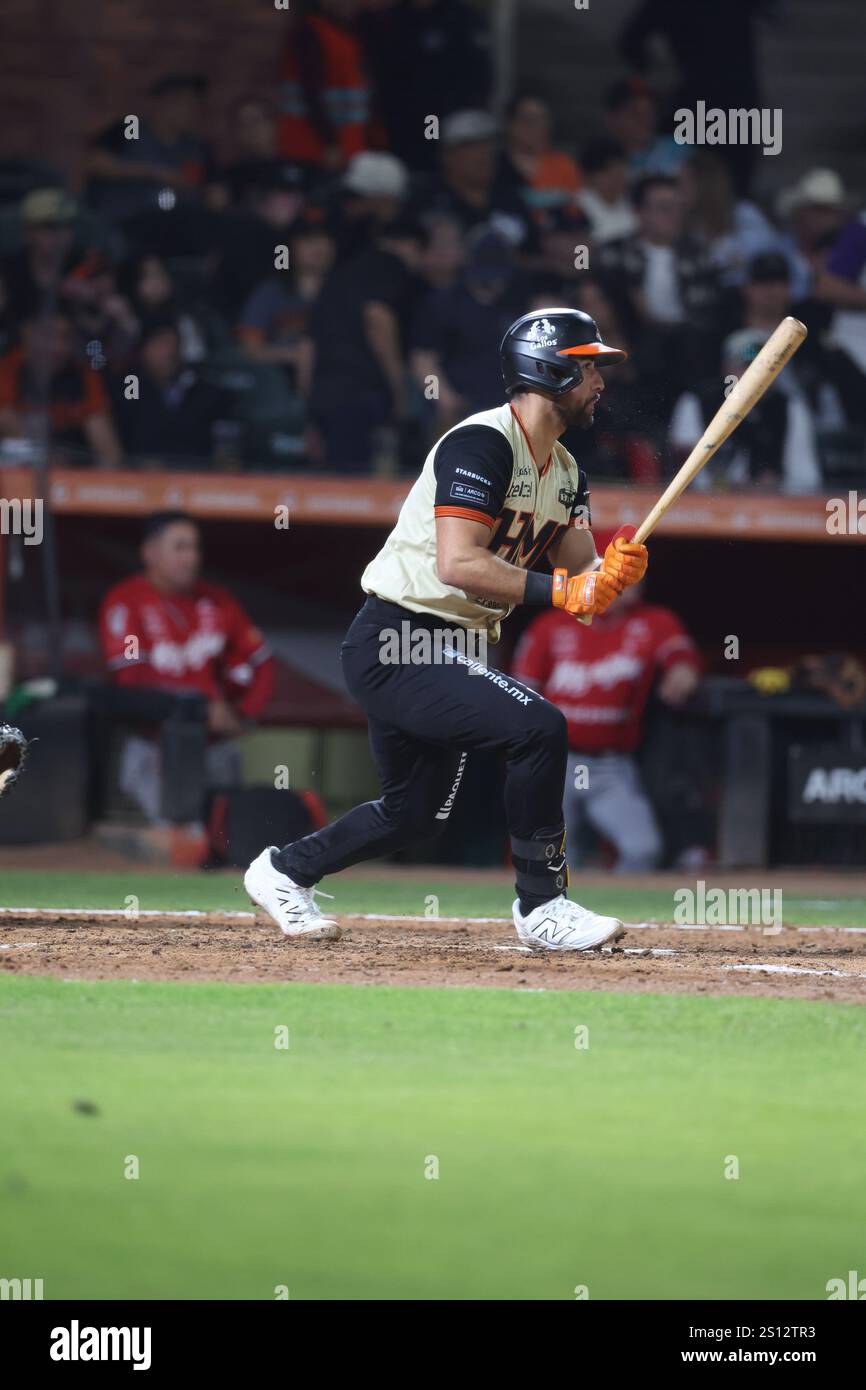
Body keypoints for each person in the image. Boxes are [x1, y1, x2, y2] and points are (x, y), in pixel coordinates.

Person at [243, 306, 649, 950]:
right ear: (547, 371)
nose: (600, 383)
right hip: (399, 639)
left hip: (455, 647)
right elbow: (458, 563)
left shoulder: (567, 471)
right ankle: (543, 905)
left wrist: (614, 574)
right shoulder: (482, 442)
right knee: (538, 725)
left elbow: (583, 589)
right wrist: (571, 588)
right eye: (588, 368)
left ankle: (282, 870)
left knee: (414, 814)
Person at [99, 510, 274, 828]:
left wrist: (245, 715)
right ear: (149, 552)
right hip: (156, 747)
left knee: (227, 843)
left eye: (194, 548)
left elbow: (262, 662)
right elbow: (130, 678)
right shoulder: (126, 600)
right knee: (179, 846)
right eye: (179, 548)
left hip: (214, 747)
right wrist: (197, 706)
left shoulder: (216, 600)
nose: (190, 558)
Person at [513, 579, 700, 871]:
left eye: (637, 576)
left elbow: (680, 653)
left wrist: (683, 667)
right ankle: (553, 912)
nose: (634, 582)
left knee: (643, 849)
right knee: (549, 857)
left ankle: (620, 914)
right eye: (622, 575)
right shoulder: (552, 623)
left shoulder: (653, 621)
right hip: (557, 763)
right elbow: (521, 692)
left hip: (611, 767)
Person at [0, 312, 122, 467]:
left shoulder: (83, 376)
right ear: (28, 333)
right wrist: (48, 460)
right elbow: (9, 424)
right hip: (14, 472)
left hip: (66, 474)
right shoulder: (7, 368)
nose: (57, 346)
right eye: (49, 335)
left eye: (65, 337)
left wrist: (110, 485)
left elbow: (107, 448)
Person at [110, 319, 228, 465]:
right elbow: (127, 433)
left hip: (195, 477)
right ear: (144, 349)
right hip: (139, 477)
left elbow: (220, 444)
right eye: (160, 345)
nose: (168, 353)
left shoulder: (203, 389)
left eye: (174, 345)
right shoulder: (130, 385)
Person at [499, 93, 582, 220]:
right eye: (531, 121)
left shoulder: (563, 164)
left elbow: (576, 212)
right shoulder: (494, 166)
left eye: (544, 120)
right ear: (511, 125)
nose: (540, 127)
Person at [575, 139, 637, 246]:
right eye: (611, 172)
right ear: (592, 175)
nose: (619, 177)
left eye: (622, 171)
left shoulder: (633, 203)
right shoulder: (577, 206)